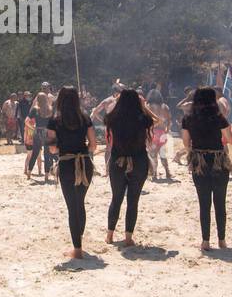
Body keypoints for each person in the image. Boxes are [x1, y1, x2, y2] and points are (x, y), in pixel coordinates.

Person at [181, 87, 232, 250]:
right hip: (218, 161)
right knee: (220, 202)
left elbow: (186, 143)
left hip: (199, 161)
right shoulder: (218, 117)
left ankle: (205, 241)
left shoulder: (188, 118)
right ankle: (221, 240)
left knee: (204, 203)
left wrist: (194, 153)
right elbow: (230, 139)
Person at [46, 85, 97, 259]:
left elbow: (52, 149)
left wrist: (64, 146)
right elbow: (94, 145)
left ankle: (77, 249)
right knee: (80, 203)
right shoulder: (85, 118)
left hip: (67, 164)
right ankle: (79, 241)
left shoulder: (54, 120)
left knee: (72, 207)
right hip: (84, 164)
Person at [103, 89, 155, 246]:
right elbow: (156, 121)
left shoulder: (113, 118)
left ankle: (110, 235)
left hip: (117, 160)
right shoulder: (143, 118)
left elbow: (105, 118)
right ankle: (128, 237)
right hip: (139, 160)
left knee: (116, 199)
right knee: (133, 200)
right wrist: (143, 106)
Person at [25, 82, 54, 181]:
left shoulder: (35, 109)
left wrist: (33, 128)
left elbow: (26, 121)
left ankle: (29, 173)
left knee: (35, 153)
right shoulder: (50, 109)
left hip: (37, 132)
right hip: (47, 132)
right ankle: (46, 175)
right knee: (47, 154)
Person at [145, 89, 172, 181]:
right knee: (163, 153)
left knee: (153, 154)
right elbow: (169, 121)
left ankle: (154, 173)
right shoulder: (165, 107)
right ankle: (167, 172)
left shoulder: (147, 106)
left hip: (152, 133)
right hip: (162, 133)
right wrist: (167, 130)